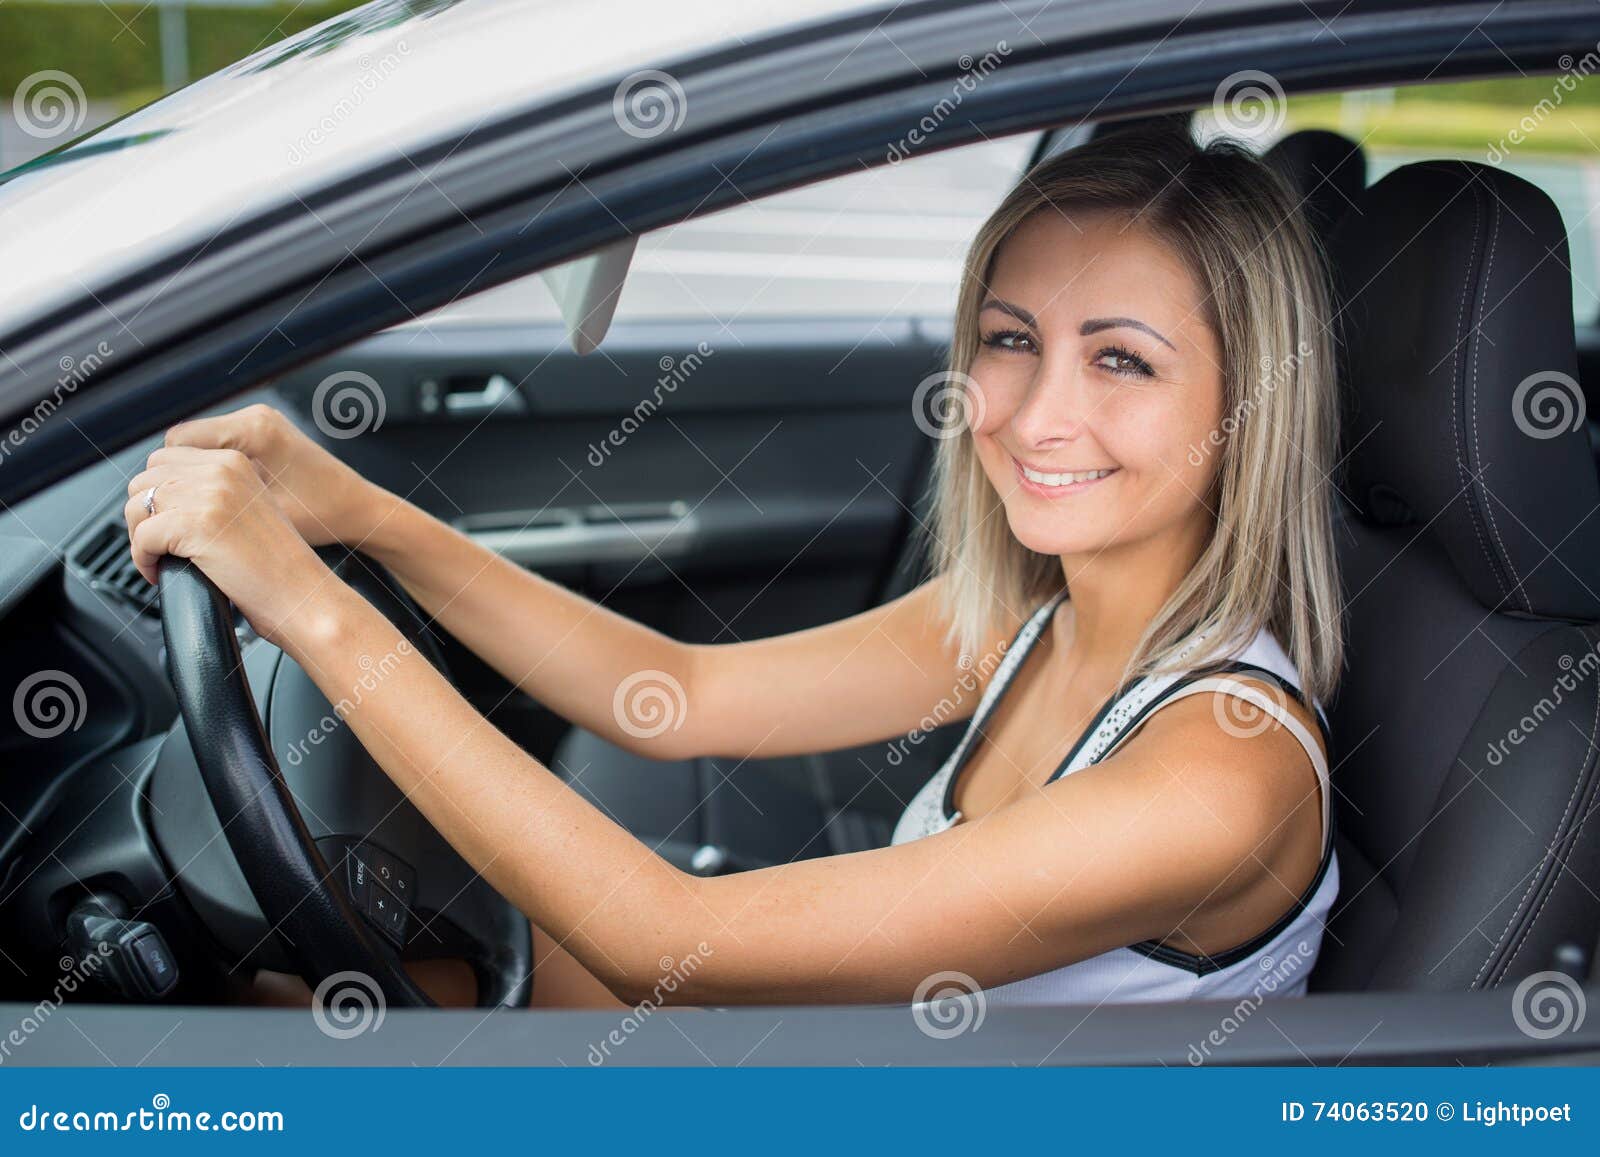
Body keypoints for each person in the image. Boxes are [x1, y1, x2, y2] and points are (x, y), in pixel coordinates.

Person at [124, 128, 1342, 1009]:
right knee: (330, 1000)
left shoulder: (1222, 772)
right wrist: (362, 514)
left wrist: (313, 608)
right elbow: (675, 695)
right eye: (1010, 341)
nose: (1034, 418)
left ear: (1254, 402)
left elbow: (673, 939)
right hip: (876, 1065)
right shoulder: (1036, 610)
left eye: (1121, 360)